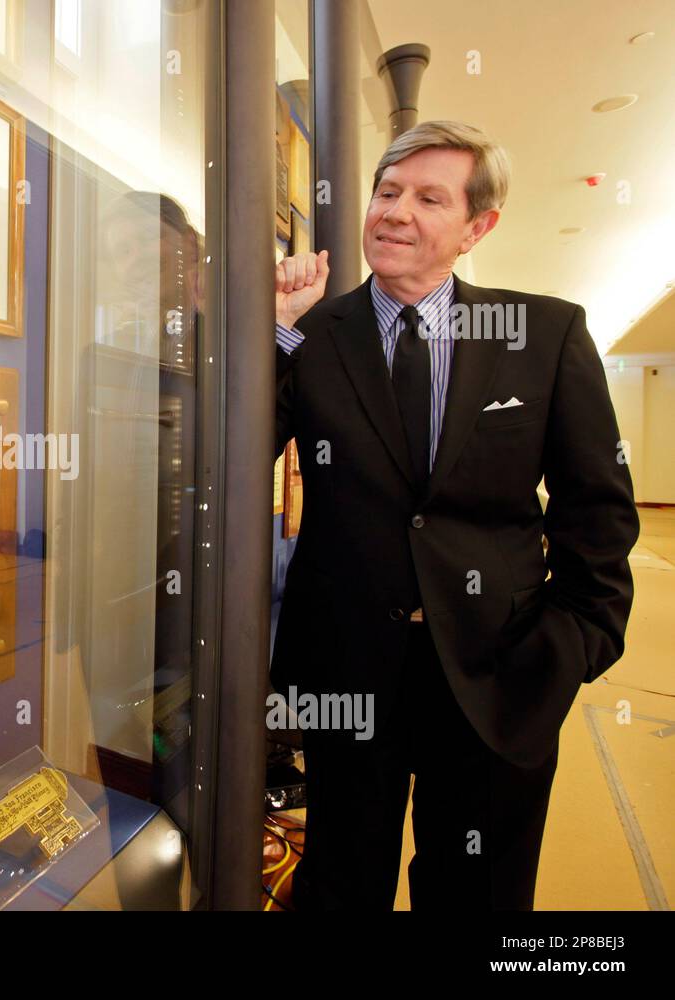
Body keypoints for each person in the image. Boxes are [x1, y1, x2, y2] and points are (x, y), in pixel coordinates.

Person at [271, 120, 639, 910]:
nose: (395, 212)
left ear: (478, 228)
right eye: (387, 191)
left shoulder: (544, 334)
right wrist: (277, 327)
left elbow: (597, 512)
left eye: (429, 198)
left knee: (478, 890)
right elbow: (234, 460)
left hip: (500, 675)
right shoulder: (315, 336)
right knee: (340, 881)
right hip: (348, 678)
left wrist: (572, 648)